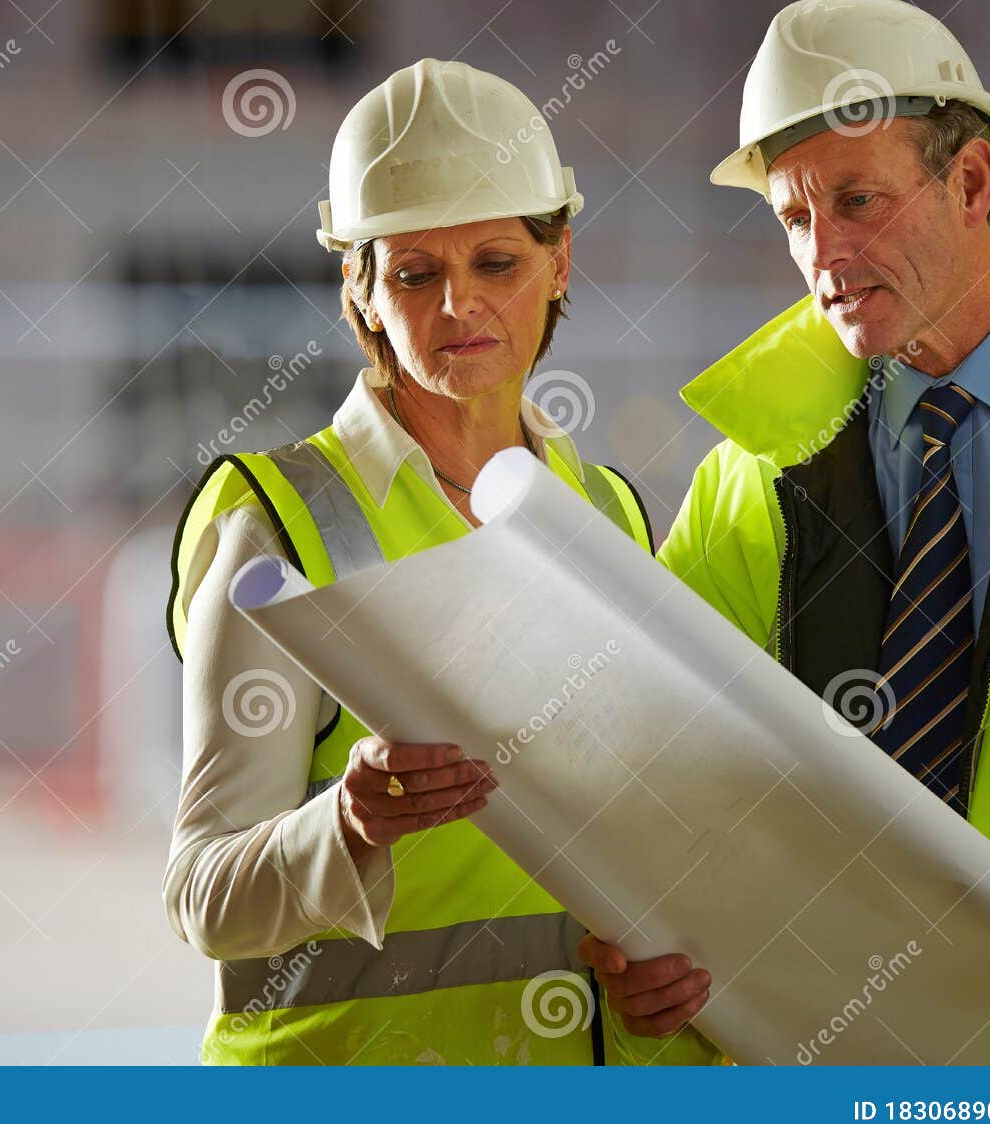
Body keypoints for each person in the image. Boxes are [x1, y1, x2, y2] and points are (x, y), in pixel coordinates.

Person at [581, 0, 990, 1065]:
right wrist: (655, 956)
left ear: (969, 182)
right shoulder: (747, 484)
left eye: (856, 200)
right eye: (791, 217)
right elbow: (675, 799)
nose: (824, 254)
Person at [164, 58, 707, 1065]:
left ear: (559, 261)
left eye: (495, 262)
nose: (458, 305)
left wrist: (671, 971)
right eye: (415, 272)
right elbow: (202, 897)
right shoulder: (283, 522)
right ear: (361, 290)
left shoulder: (610, 518)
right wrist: (351, 824)